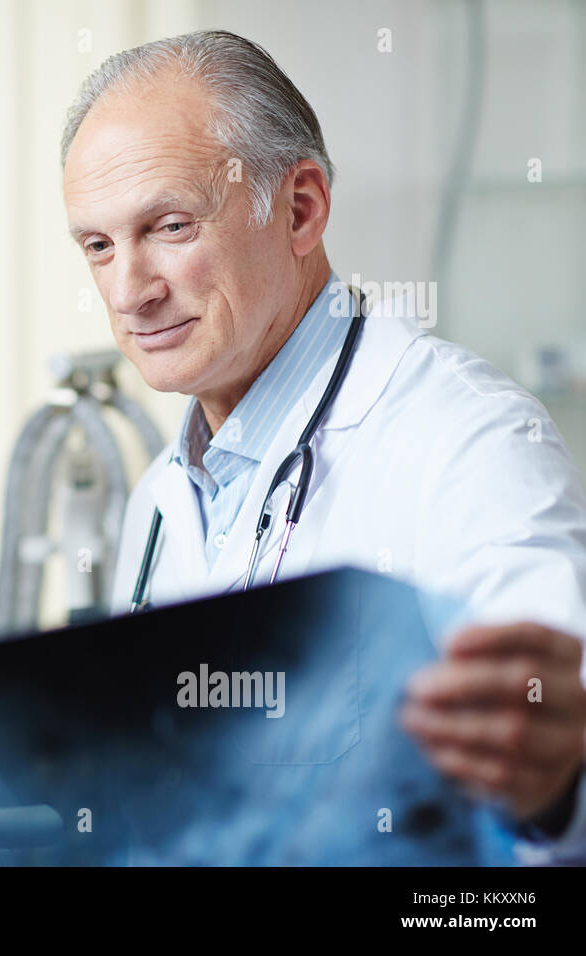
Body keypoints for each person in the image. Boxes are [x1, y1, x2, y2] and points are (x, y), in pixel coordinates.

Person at [61, 30, 586, 862]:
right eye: (97, 245)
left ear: (300, 208)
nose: (130, 290)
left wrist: (554, 791)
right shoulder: (160, 500)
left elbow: (548, 774)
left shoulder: (469, 446)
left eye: (168, 226)